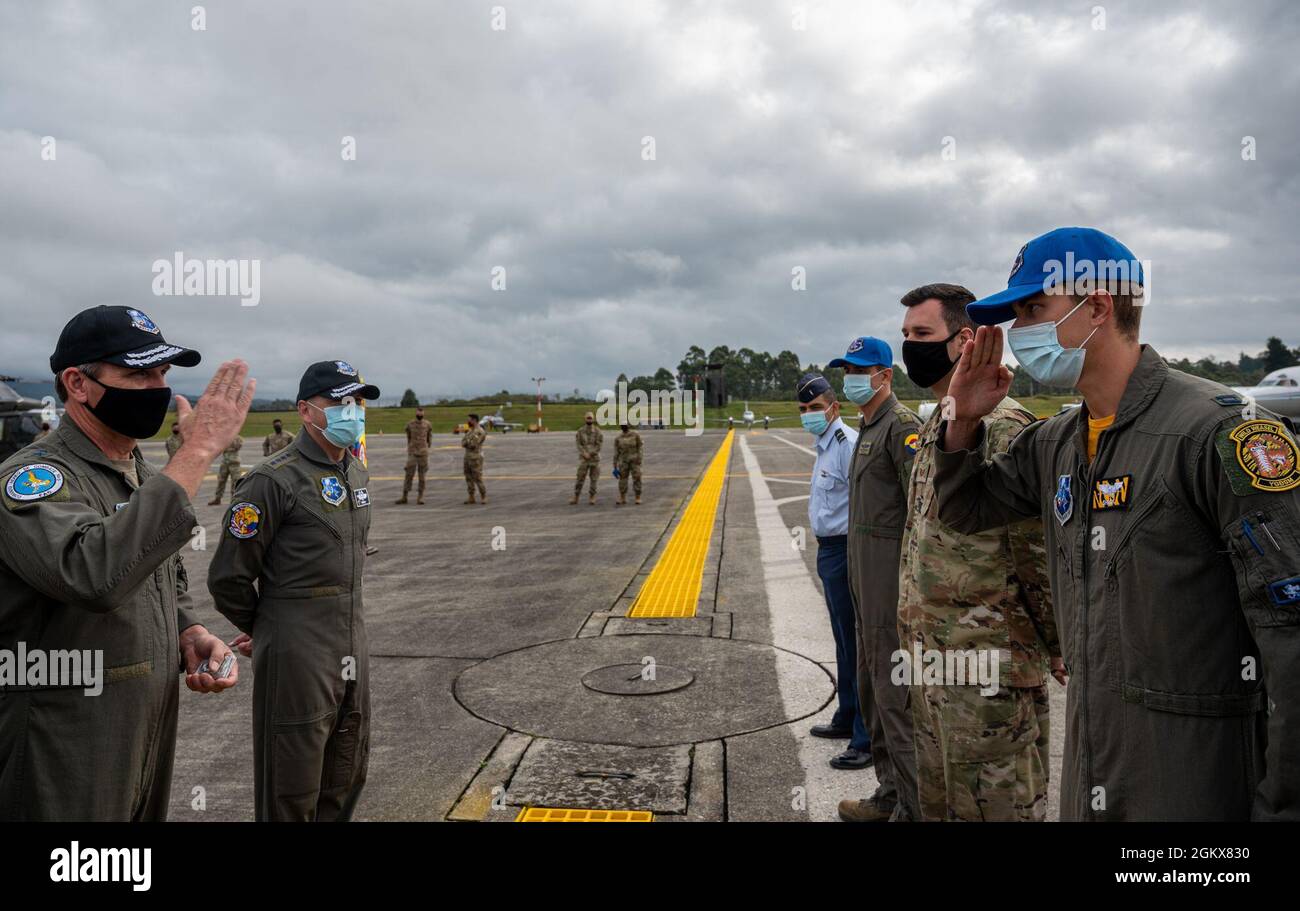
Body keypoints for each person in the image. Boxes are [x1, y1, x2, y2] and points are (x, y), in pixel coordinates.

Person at [933, 227, 1300, 821]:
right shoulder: (1056, 441)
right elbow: (965, 508)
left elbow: (1293, 634)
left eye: (1033, 309)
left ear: (1097, 307)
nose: (1018, 332)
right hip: (1094, 765)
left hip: (1194, 782)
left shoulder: (1217, 433)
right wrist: (963, 422)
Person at [0, 305, 248, 820]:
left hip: (144, 728)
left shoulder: (135, 469)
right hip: (65, 740)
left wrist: (187, 629)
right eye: (138, 373)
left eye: (162, 373)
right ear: (78, 383)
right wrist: (199, 449)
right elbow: (93, 575)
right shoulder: (33, 479)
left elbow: (154, 569)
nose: (157, 387)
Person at [892, 282, 1060, 822]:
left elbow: (1033, 547)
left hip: (988, 666)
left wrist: (1055, 640)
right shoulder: (942, 420)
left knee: (997, 807)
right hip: (936, 660)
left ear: (965, 340)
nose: (909, 346)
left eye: (922, 334)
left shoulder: (1002, 425)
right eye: (905, 335)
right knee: (945, 804)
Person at [207, 360, 379, 822]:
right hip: (299, 654)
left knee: (347, 772)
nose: (353, 412)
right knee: (293, 786)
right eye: (340, 402)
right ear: (306, 410)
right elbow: (228, 578)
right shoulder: (271, 481)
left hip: (353, 643)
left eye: (357, 403)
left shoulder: (355, 473)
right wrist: (271, 628)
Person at [828, 337, 921, 822]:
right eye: (848, 369)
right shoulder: (867, 428)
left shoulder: (901, 428)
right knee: (873, 694)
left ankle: (913, 807)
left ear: (886, 375)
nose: (853, 378)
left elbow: (925, 512)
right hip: (866, 589)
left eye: (862, 370)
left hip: (891, 592)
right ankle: (889, 795)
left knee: (895, 700)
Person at [798, 372, 872, 770]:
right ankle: (846, 716)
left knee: (858, 644)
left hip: (845, 550)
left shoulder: (845, 444)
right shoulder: (824, 444)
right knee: (843, 641)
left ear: (833, 407)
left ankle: (864, 736)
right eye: (804, 409)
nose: (809, 415)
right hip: (829, 551)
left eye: (814, 408)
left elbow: (862, 503)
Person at [396, 407, 432, 505]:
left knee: (422, 476)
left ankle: (420, 497)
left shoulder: (427, 424)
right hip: (412, 452)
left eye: (421, 413)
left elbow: (429, 437)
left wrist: (427, 447)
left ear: (423, 414)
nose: (420, 414)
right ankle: (404, 496)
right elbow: (408, 436)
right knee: (408, 474)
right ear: (416, 413)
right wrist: (410, 447)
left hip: (423, 453)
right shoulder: (410, 424)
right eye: (418, 413)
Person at [572, 411, 602, 505]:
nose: (589, 419)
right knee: (580, 478)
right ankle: (576, 497)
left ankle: (592, 497)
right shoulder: (580, 431)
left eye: (591, 418)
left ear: (593, 419)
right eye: (588, 418)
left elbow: (599, 445)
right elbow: (578, 444)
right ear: (585, 418)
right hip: (584, 459)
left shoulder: (598, 431)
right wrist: (584, 453)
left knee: (594, 479)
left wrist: (591, 453)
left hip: (594, 459)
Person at [208, 433, 243, 505]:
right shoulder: (224, 438)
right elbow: (220, 447)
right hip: (225, 462)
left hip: (234, 463)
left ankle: (234, 499)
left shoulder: (238, 438)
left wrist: (229, 442)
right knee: (221, 480)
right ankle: (218, 498)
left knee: (235, 481)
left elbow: (237, 446)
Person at [614, 423, 643, 505]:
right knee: (622, 479)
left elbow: (640, 447)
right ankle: (622, 497)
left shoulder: (635, 435)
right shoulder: (618, 438)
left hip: (635, 461)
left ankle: (638, 497)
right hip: (623, 461)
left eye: (625, 425)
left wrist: (639, 458)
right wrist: (615, 465)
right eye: (622, 425)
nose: (624, 427)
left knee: (637, 478)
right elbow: (616, 452)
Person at [462, 413, 487, 504]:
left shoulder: (480, 431)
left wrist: (467, 442)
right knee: (468, 477)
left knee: (477, 477)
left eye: (469, 420)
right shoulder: (470, 431)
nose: (468, 421)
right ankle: (471, 496)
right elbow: (463, 443)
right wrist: (468, 442)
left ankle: (483, 496)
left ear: (474, 420)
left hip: (476, 457)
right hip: (467, 457)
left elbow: (473, 444)